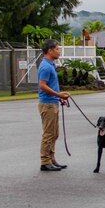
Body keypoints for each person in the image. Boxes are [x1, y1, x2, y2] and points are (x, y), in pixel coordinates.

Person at [37, 38, 70, 172]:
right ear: (50, 51)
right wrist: (58, 95)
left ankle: (51, 159)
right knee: (49, 134)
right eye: (57, 49)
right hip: (47, 104)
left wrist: (59, 97)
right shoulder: (45, 66)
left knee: (54, 133)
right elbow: (42, 86)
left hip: (53, 102)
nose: (59, 51)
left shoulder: (51, 65)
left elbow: (50, 85)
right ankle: (45, 161)